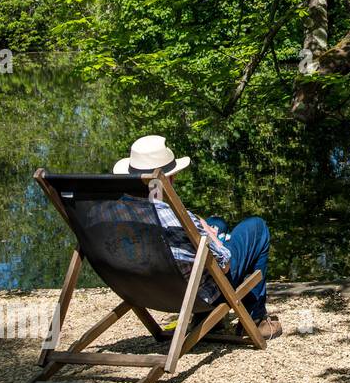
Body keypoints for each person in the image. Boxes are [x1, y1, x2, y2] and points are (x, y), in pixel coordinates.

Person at [113, 135, 282, 339]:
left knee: (216, 222)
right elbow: (225, 262)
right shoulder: (175, 216)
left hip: (152, 289)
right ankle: (255, 319)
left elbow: (163, 216)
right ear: (169, 178)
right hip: (195, 293)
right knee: (256, 227)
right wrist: (217, 241)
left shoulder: (117, 211)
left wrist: (202, 226)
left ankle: (208, 319)